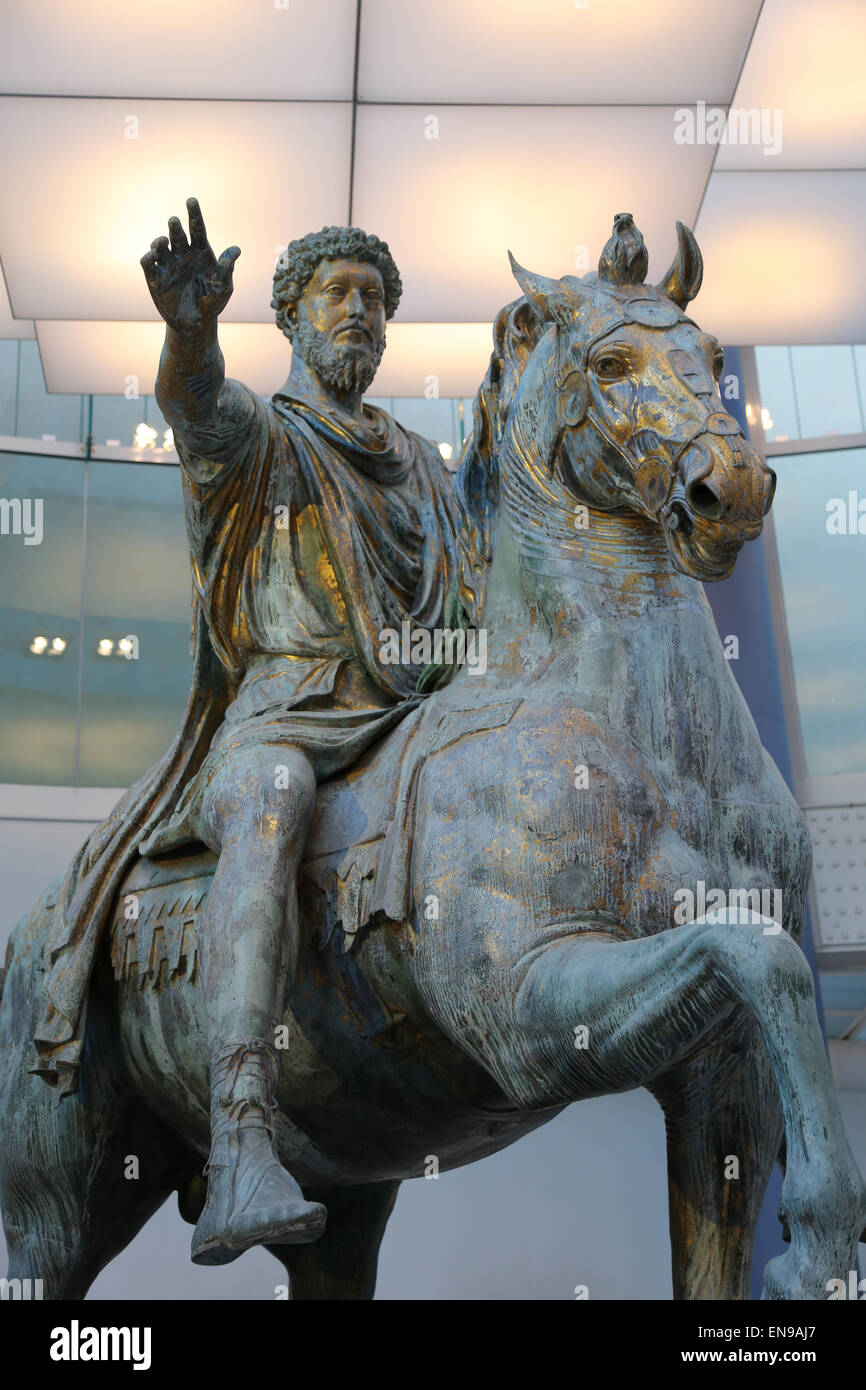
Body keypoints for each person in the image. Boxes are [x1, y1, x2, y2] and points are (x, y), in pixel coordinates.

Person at [33, 197, 470, 1267]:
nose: (361, 313)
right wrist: (187, 331)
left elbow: (475, 607)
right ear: (292, 318)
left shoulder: (423, 466)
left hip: (403, 724)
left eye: (376, 299)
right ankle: (238, 1134)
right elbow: (195, 405)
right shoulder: (263, 437)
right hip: (280, 717)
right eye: (339, 294)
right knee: (272, 798)